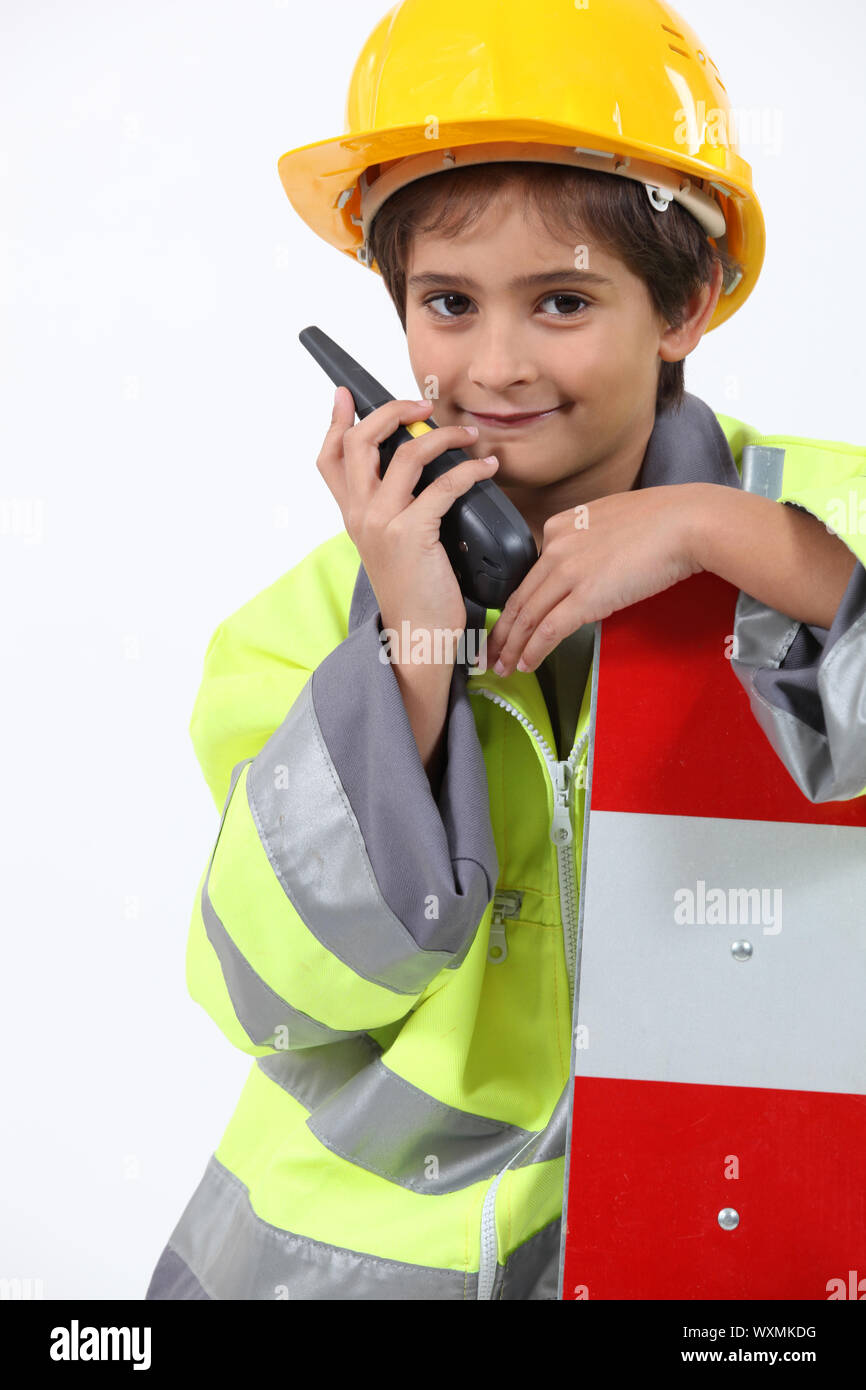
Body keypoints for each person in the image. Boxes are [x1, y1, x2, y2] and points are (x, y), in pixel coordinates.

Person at [145, 0, 866, 1300]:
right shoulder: (306, 619)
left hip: (731, 1255)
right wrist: (410, 642)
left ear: (685, 301)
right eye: (446, 301)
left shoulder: (827, 520)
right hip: (346, 1270)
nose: (493, 363)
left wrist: (741, 541)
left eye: (562, 301)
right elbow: (273, 990)